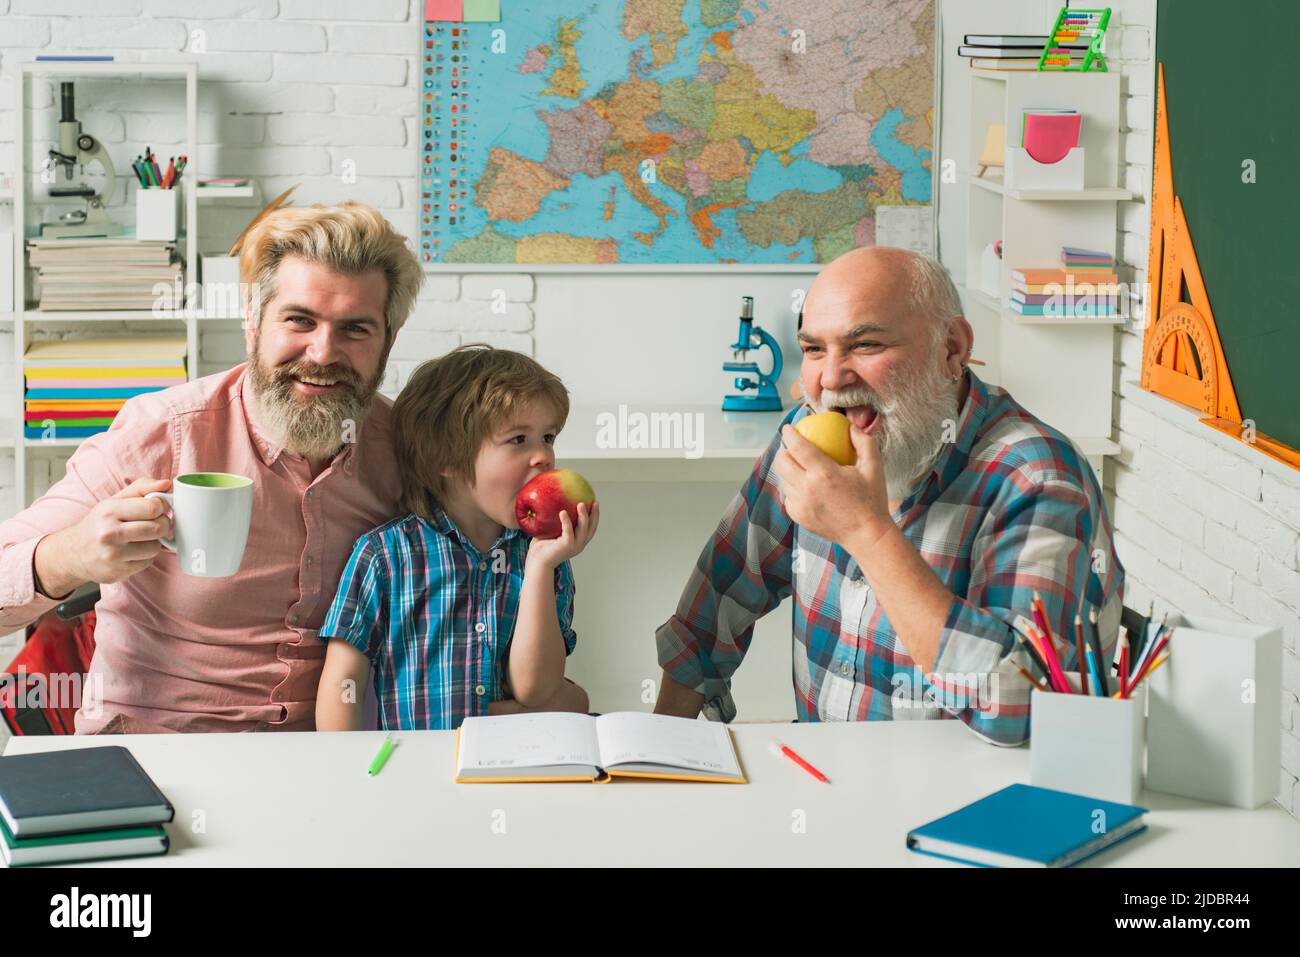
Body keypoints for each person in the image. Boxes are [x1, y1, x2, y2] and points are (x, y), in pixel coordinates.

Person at [653, 247, 1123, 745]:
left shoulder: (1039, 480)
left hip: (963, 809)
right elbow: (713, 607)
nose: (831, 378)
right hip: (825, 784)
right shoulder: (806, 438)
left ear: (951, 349)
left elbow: (1022, 711)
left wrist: (866, 530)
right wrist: (655, 753)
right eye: (814, 350)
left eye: (866, 345)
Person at [0, 202, 422, 732]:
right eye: (299, 320)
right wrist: (69, 556)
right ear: (252, 321)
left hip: (337, 757)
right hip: (161, 748)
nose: (322, 353)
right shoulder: (162, 430)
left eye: (355, 329)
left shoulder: (408, 448)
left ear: (388, 341)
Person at [316, 346, 597, 731]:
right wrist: (346, 771)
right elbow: (342, 681)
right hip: (416, 772)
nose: (544, 457)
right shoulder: (384, 556)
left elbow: (535, 690)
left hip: (515, 770)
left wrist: (540, 567)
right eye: (518, 439)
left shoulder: (546, 559)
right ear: (445, 458)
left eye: (547, 437)